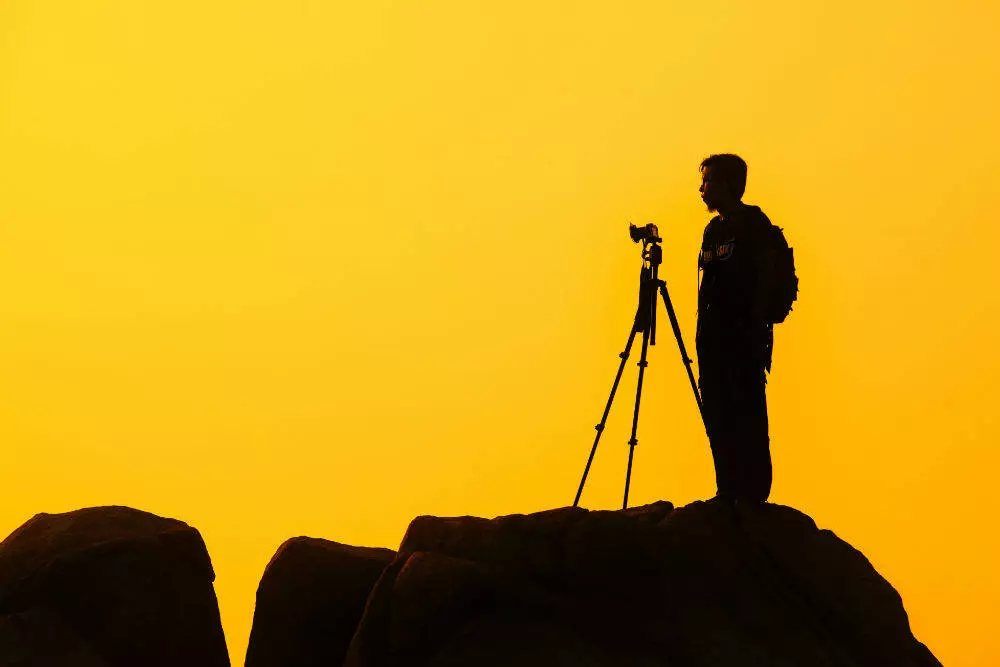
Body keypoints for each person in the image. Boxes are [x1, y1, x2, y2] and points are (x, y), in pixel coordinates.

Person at [696, 153, 776, 505]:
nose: (702, 189)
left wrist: (754, 325)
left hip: (742, 342)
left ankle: (753, 493)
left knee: (747, 414)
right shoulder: (712, 232)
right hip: (713, 343)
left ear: (729, 185)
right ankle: (727, 488)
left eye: (708, 181)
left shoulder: (754, 225)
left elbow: (771, 281)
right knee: (717, 414)